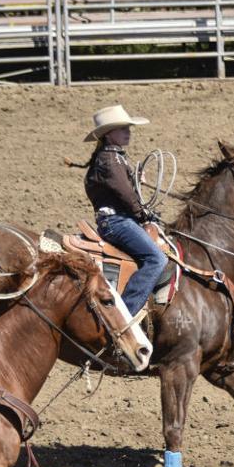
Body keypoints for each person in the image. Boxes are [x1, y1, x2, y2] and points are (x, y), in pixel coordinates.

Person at [82, 105, 167, 319]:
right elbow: (126, 195)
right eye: (122, 128)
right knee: (157, 259)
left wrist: (134, 179)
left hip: (118, 219)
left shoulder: (113, 157)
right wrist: (144, 214)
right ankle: (125, 315)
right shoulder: (109, 159)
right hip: (117, 222)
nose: (128, 132)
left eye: (128, 127)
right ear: (109, 134)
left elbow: (122, 188)